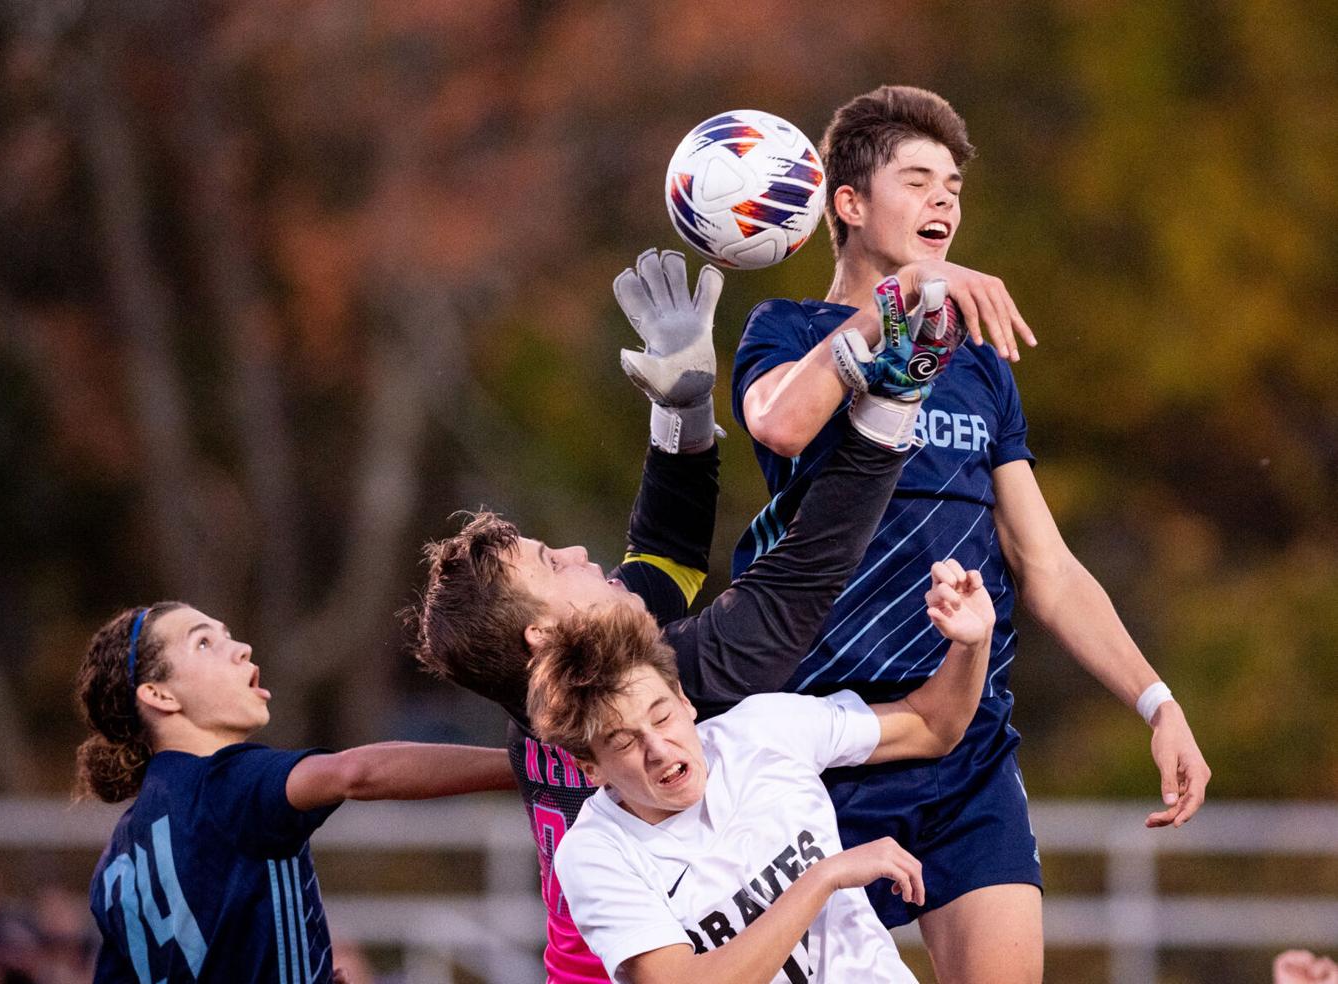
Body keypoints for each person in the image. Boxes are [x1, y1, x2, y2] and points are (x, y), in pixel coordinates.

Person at [730, 84, 1211, 982]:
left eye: (953, 184)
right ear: (848, 204)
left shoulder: (977, 361)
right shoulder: (788, 329)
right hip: (826, 742)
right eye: (917, 180)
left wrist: (1159, 702)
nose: (944, 200)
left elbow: (1047, 565)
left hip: (964, 743)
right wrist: (903, 295)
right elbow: (781, 425)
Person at [411, 248, 962, 982]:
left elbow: (664, 556)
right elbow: (807, 571)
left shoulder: (563, 699)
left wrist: (681, 413)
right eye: (552, 564)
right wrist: (895, 399)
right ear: (542, 636)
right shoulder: (665, 688)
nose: (577, 551)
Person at [528, 559, 992, 984]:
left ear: (684, 699)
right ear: (589, 768)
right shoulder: (595, 852)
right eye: (624, 741)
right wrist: (822, 878)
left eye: (662, 715)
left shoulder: (764, 730)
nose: (657, 748)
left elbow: (932, 726)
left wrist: (973, 642)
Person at [76, 602, 516, 983]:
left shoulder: (116, 860)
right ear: (159, 694)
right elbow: (356, 771)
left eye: (227, 635)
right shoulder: (227, 783)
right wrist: (527, 767)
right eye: (204, 643)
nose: (241, 648)